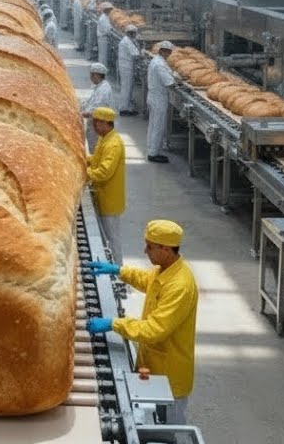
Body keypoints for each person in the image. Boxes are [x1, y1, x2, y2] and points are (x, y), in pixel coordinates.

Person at [84, 220, 198, 429]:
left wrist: (114, 324)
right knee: (149, 420)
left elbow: (154, 330)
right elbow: (147, 280)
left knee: (169, 429)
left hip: (169, 375)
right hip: (152, 363)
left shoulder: (180, 286)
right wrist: (118, 270)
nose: (145, 251)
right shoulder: (165, 268)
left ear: (166, 249)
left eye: (150, 247)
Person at [86, 107, 126, 264]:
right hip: (102, 195)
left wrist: (84, 172)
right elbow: (97, 158)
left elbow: (104, 172)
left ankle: (118, 273)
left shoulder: (114, 144)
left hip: (110, 199)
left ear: (105, 123)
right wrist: (85, 159)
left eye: (97, 123)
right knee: (106, 237)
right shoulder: (105, 138)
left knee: (113, 239)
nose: (94, 126)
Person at [146, 42, 176, 163]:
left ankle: (151, 149)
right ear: (163, 51)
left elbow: (168, 73)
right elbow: (169, 82)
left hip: (155, 97)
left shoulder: (158, 61)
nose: (169, 55)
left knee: (153, 125)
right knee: (158, 126)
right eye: (169, 53)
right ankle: (153, 154)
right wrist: (177, 81)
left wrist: (174, 75)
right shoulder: (159, 64)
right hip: (158, 99)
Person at [79, 63, 115, 152]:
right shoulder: (99, 87)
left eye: (91, 75)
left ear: (96, 75)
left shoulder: (104, 89)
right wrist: (80, 105)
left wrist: (85, 113)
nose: (90, 77)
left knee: (98, 152)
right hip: (95, 127)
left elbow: (97, 107)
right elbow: (91, 102)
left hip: (100, 127)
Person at [117, 25, 140, 115]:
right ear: (132, 33)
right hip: (126, 67)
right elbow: (135, 54)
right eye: (134, 33)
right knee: (126, 87)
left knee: (128, 87)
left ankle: (128, 106)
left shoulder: (128, 40)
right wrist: (141, 53)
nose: (135, 35)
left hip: (126, 66)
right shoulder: (127, 41)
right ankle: (123, 109)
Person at [96, 2, 114, 68]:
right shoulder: (103, 18)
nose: (110, 11)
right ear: (106, 10)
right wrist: (111, 30)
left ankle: (103, 67)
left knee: (103, 54)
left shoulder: (106, 17)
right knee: (103, 55)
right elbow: (106, 30)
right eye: (109, 10)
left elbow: (108, 26)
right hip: (103, 38)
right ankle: (102, 68)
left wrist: (111, 28)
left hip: (103, 38)